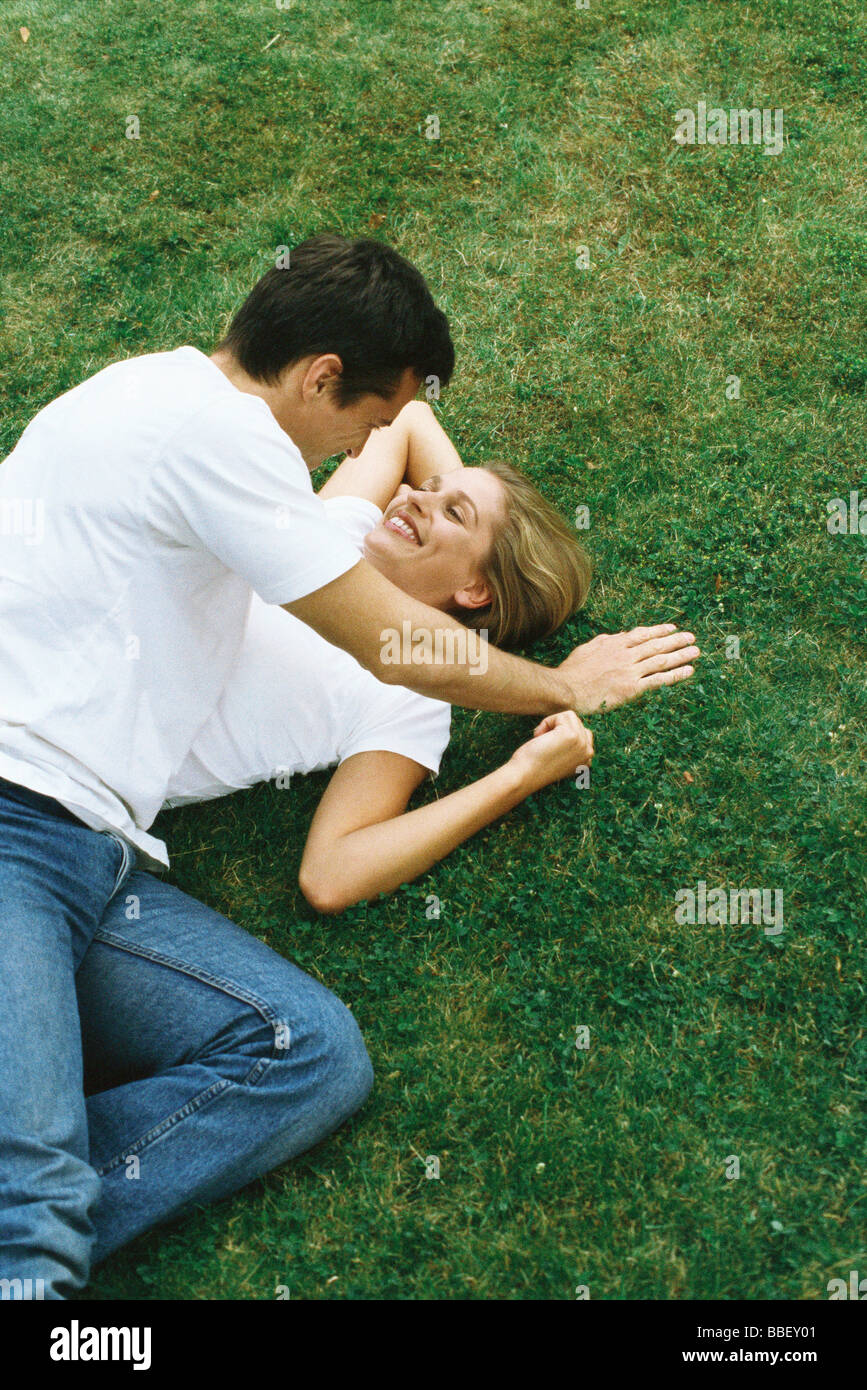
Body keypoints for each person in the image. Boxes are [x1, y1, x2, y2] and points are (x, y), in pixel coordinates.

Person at [0, 234, 698, 1296]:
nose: (379, 460)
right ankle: (32, 1186)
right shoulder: (249, 464)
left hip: (88, 855)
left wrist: (514, 745)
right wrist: (563, 681)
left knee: (309, 1048)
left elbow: (343, 847)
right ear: (322, 374)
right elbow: (405, 527)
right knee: (37, 1221)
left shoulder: (182, 410)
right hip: (20, 815)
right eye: (360, 422)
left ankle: (32, 1160)